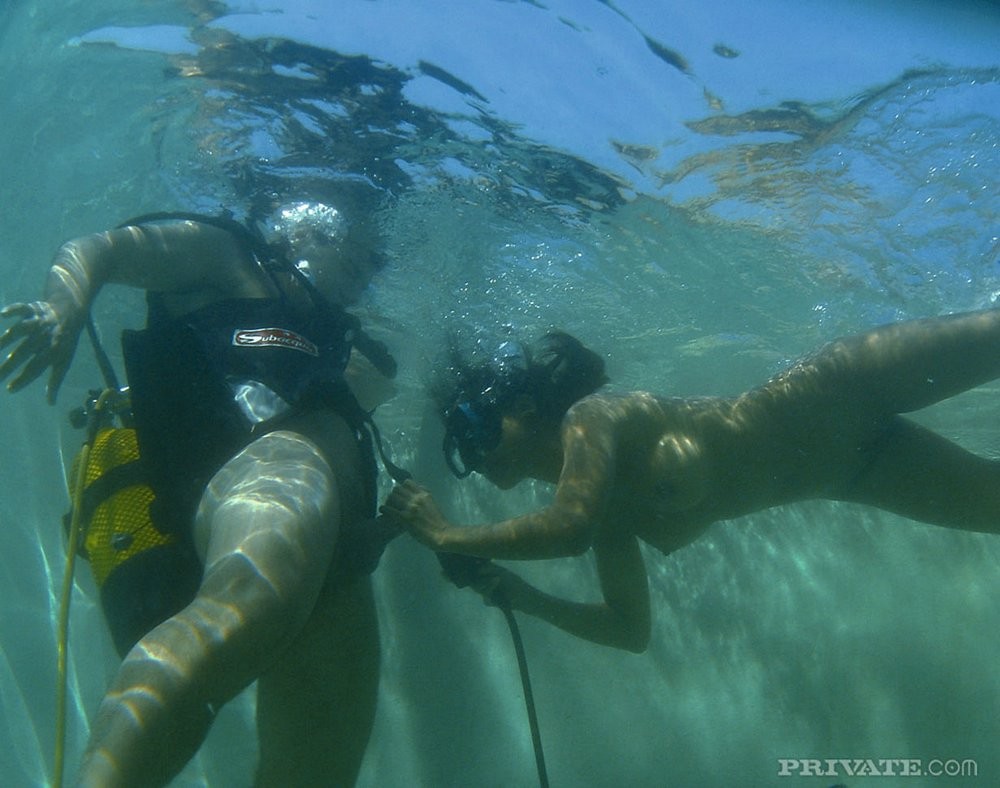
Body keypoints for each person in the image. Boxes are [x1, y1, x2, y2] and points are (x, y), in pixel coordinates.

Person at [1, 203, 394, 786]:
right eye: (361, 250)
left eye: (376, 262)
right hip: (264, 477)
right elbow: (101, 248)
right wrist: (63, 306)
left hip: (341, 548)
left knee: (320, 769)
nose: (372, 267)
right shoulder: (229, 254)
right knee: (231, 620)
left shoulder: (333, 327)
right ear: (304, 228)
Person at [382, 318, 1000, 654]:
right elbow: (630, 632)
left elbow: (566, 529)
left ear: (519, 403)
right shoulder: (606, 512)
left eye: (474, 424)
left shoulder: (589, 419)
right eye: (458, 441)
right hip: (856, 475)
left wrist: (444, 533)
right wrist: (518, 594)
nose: (471, 449)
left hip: (841, 384)